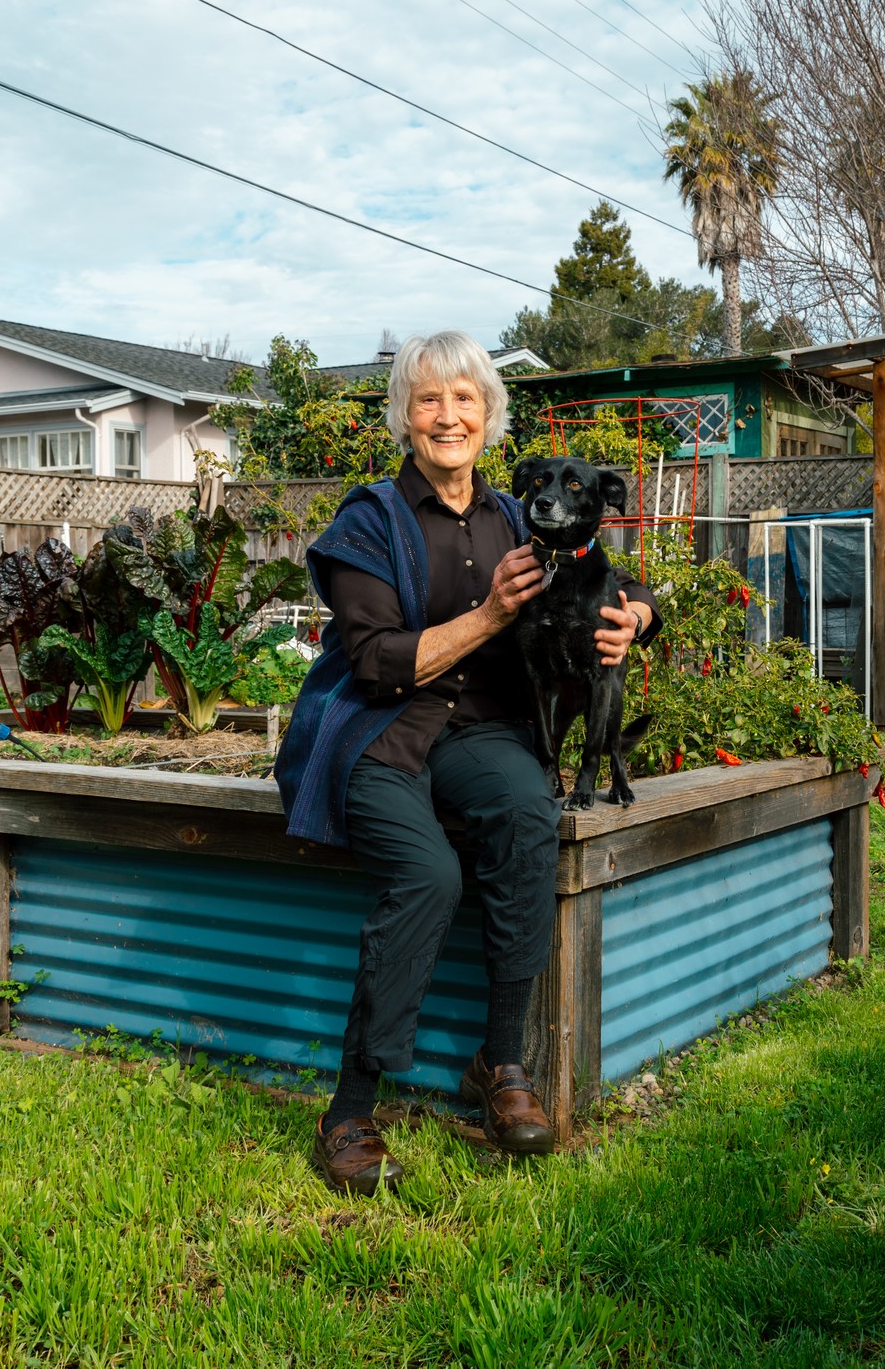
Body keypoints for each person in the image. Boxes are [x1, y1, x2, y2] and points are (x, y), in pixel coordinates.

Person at [275, 330, 661, 1195]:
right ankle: (350, 1108)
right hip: (382, 731)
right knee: (427, 875)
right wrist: (488, 618)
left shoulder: (517, 514)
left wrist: (639, 616)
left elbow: (606, 575)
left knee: (529, 812)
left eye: (465, 400)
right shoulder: (368, 519)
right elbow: (374, 659)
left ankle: (502, 1065)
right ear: (405, 418)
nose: (447, 416)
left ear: (490, 418)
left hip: (482, 735)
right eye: (428, 400)